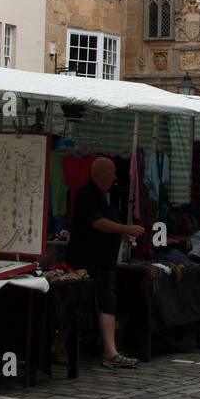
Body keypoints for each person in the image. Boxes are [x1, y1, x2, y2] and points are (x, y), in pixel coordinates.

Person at [66, 157, 144, 369]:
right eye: (112, 174)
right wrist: (126, 229)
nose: (115, 178)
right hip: (87, 260)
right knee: (82, 302)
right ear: (102, 175)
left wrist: (122, 234)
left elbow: (109, 222)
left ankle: (109, 351)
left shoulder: (104, 196)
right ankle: (105, 352)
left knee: (102, 300)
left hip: (103, 261)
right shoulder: (86, 195)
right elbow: (98, 223)